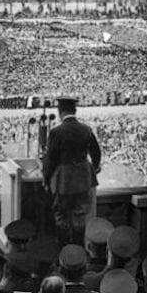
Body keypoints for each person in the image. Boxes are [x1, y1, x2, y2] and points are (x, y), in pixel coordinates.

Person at [42, 97, 101, 244]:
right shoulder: (86, 129)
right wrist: (93, 168)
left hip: (64, 181)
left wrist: (46, 178)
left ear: (60, 112)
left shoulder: (56, 132)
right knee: (80, 216)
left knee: (61, 215)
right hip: (83, 178)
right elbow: (96, 152)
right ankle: (78, 250)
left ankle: (64, 251)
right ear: (75, 111)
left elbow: (51, 159)